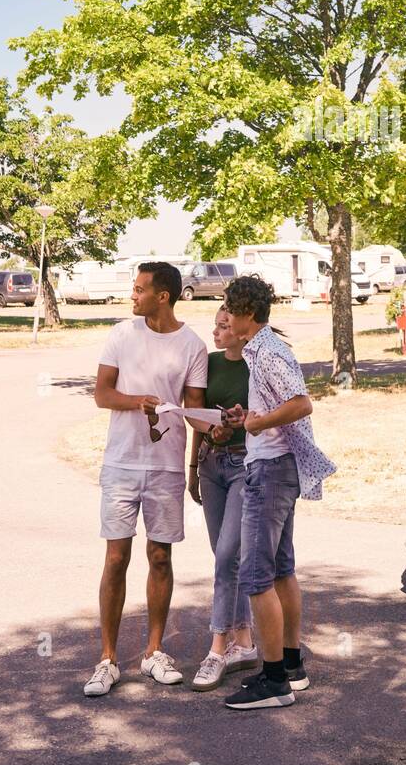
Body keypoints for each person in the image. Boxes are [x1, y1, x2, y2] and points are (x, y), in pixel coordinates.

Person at [83, 262, 208, 697]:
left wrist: (197, 465)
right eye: (132, 289)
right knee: (116, 558)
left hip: (166, 468)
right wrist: (138, 402)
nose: (132, 296)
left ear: (163, 296)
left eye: (139, 290)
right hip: (121, 464)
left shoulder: (192, 344)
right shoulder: (121, 334)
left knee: (160, 558)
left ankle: (154, 652)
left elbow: (195, 413)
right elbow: (102, 394)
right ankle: (107, 660)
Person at [219, 275, 336, 711]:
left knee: (255, 577)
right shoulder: (262, 351)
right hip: (277, 468)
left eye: (229, 307)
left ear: (247, 312)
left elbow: (301, 403)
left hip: (269, 471)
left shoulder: (267, 351)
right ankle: (291, 665)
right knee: (282, 569)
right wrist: (248, 415)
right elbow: (278, 404)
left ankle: (272, 683)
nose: (225, 316)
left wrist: (259, 424)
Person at [187, 306, 258, 690]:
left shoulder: (256, 366)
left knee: (229, 555)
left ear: (242, 330)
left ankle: (216, 649)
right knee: (224, 558)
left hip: (244, 466)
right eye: (215, 324)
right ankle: (244, 641)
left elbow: (270, 415)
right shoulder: (209, 362)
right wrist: (193, 470)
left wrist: (243, 419)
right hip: (210, 466)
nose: (216, 331)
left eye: (224, 326)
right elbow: (195, 413)